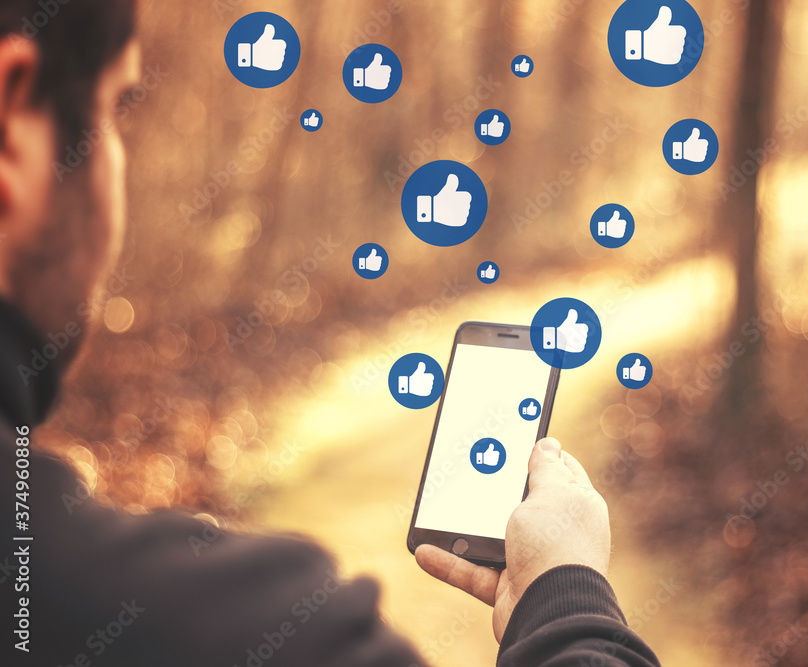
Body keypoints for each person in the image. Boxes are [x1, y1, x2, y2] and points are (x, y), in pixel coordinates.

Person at [0, 1, 661, 665]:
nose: (118, 159)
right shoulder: (252, 631)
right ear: (13, 128)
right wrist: (572, 600)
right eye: (119, 105)